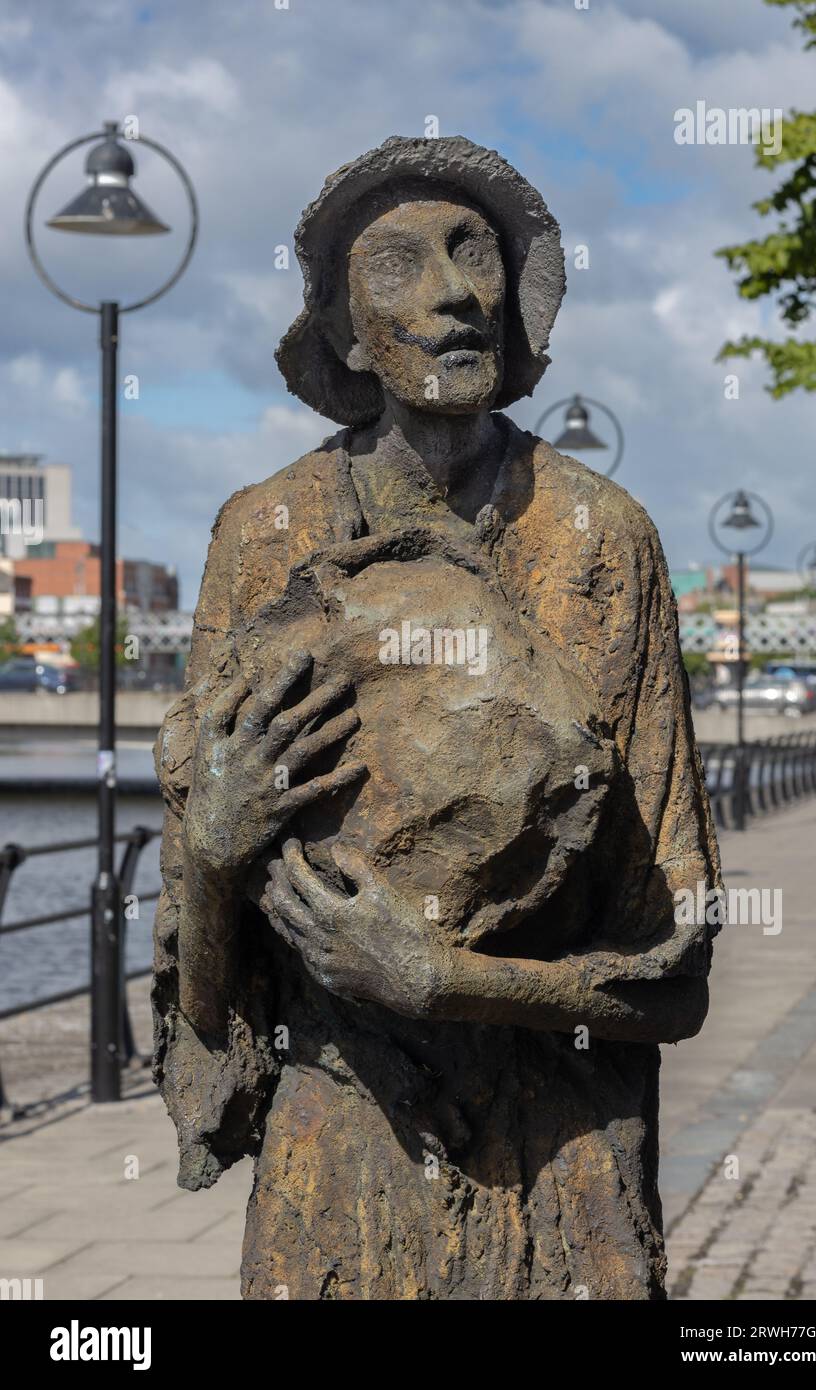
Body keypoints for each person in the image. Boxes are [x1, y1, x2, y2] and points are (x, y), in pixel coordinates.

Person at [153, 135, 722, 1300]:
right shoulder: (264, 536)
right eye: (399, 264)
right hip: (339, 1144)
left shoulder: (598, 540)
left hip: (559, 1155)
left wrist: (446, 977)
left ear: (515, 308)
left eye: (474, 255)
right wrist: (209, 857)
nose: (454, 290)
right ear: (348, 330)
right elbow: (200, 1003)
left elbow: (674, 973)